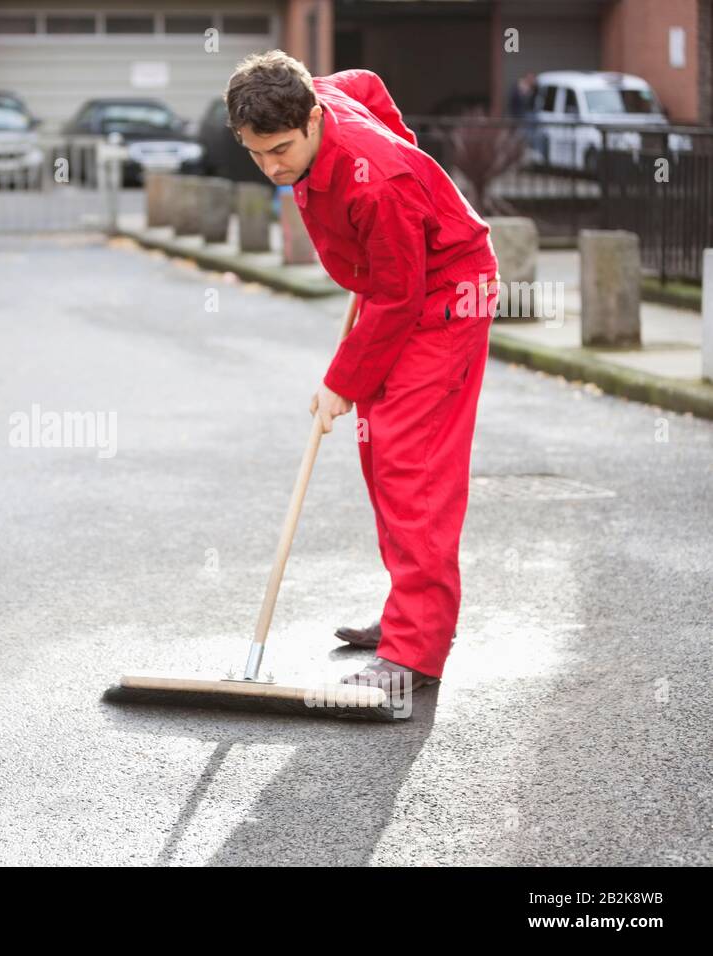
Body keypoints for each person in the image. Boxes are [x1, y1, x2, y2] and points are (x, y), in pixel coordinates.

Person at [223, 51, 500, 695]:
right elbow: (369, 84)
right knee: (382, 456)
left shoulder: (378, 184)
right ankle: (412, 612)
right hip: (399, 285)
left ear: (311, 119)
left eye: (282, 151)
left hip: (445, 294)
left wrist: (341, 381)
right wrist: (405, 150)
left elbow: (401, 298)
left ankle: (415, 651)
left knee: (412, 466)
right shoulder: (313, 93)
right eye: (256, 154)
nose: (273, 168)